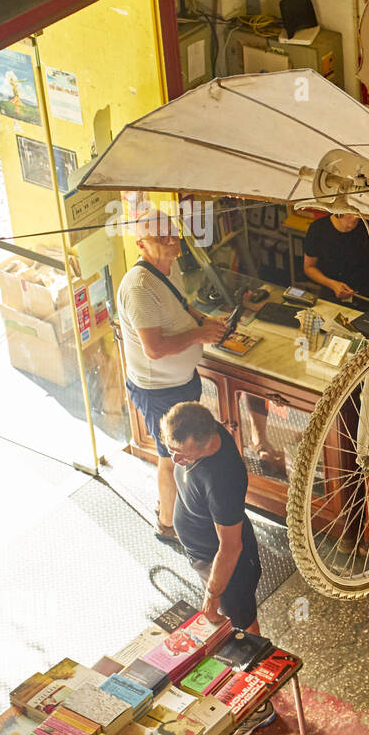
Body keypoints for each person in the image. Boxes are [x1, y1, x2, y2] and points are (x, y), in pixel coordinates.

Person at [160, 400, 276, 735]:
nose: (175, 460)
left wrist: (213, 594)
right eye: (171, 449)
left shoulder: (222, 479)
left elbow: (231, 547)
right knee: (231, 630)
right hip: (203, 554)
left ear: (210, 443)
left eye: (183, 454)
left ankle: (261, 705)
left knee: (242, 631)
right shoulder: (194, 425)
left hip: (228, 566)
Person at [118, 211, 229, 546]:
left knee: (183, 450)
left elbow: (181, 304)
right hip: (159, 391)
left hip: (181, 381)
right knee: (170, 458)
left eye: (171, 233)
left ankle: (178, 509)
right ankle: (167, 525)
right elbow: (154, 348)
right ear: (140, 245)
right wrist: (199, 336)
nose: (169, 240)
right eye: (158, 237)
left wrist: (203, 320)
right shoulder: (139, 288)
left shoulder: (170, 266)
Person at [301, 212, 369, 312]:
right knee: (324, 325)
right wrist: (332, 284)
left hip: (365, 295)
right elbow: (308, 268)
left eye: (358, 213)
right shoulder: (318, 228)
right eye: (350, 214)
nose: (355, 218)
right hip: (330, 294)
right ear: (339, 210)